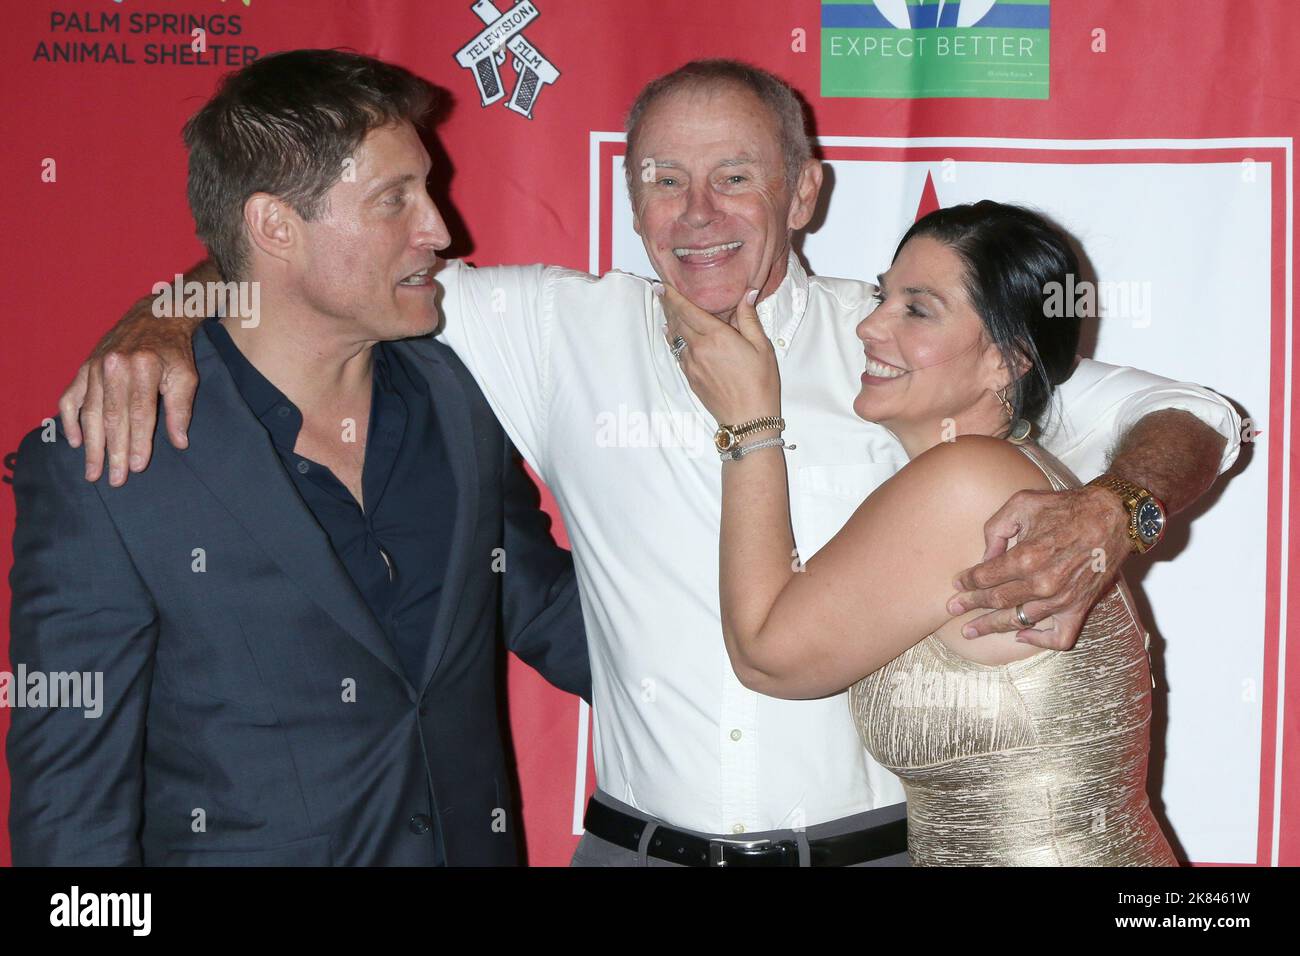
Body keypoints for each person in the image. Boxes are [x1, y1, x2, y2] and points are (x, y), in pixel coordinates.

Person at [56, 58, 1239, 866]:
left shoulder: (908, 349)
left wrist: (1115, 508)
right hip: (632, 851)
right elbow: (317, 274)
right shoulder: (550, 327)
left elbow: (1198, 413)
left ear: (806, 189)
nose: (695, 212)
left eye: (734, 176)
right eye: (659, 179)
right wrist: (166, 309)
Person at [7, 50, 590, 867]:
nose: (441, 229)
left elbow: (543, 610)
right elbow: (70, 811)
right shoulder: (115, 459)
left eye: (425, 188)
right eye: (395, 200)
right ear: (275, 227)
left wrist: (768, 668)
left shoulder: (462, 395)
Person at [661, 200, 1178, 865]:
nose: (871, 325)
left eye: (917, 309)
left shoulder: (966, 481)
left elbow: (766, 653)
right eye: (881, 296)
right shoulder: (1018, 472)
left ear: (1007, 361)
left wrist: (748, 420)